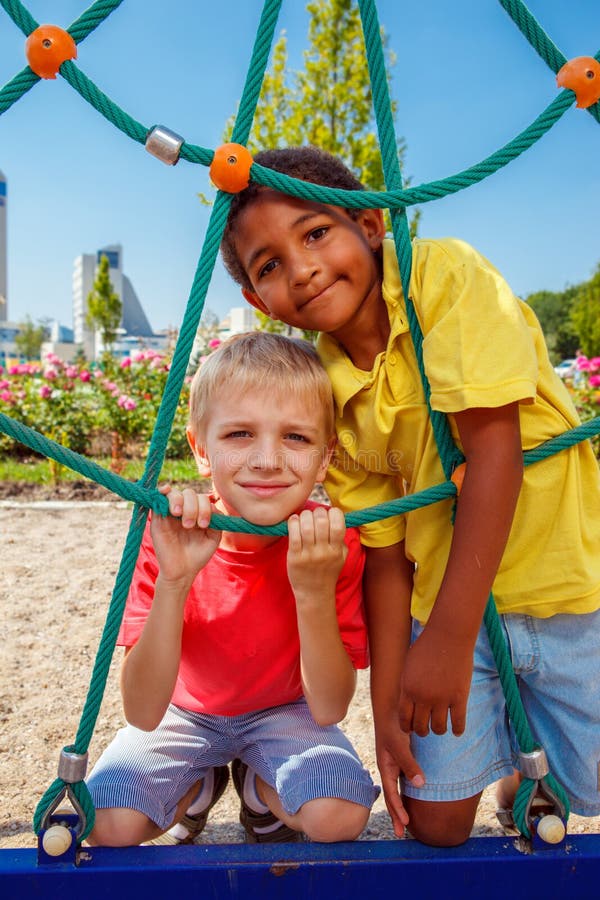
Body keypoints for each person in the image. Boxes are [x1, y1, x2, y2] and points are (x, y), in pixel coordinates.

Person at [219, 145, 600, 847]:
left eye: (315, 233)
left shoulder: (440, 274)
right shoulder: (328, 390)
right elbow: (387, 558)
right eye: (269, 265)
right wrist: (387, 706)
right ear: (255, 299)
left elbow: (493, 451)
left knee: (591, 788)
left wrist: (449, 643)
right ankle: (514, 757)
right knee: (434, 822)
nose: (300, 267)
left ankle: (527, 770)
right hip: (446, 601)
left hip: (565, 586)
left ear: (369, 224)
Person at [86, 331, 379, 847]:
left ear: (325, 455)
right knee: (106, 826)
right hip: (182, 713)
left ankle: (259, 791)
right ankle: (198, 783)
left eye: (297, 438)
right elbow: (143, 711)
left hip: (287, 712)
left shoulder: (331, 540)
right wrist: (176, 580)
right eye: (240, 434)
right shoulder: (171, 533)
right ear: (201, 448)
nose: (267, 460)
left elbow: (331, 708)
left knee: (339, 815)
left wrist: (311, 591)